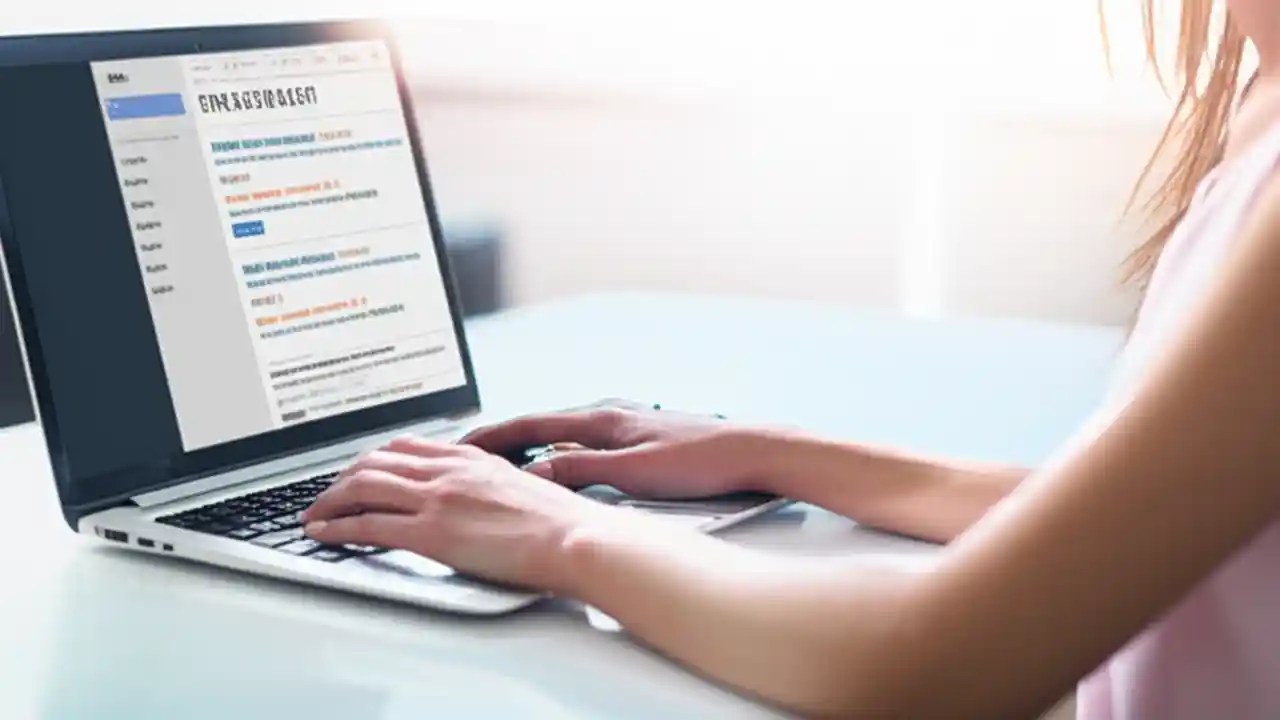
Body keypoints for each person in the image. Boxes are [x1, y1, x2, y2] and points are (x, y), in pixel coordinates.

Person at [301, 1, 1280, 716]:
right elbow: (1165, 523)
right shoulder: (1259, 80)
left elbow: (936, 664)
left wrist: (560, 537)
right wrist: (770, 454)